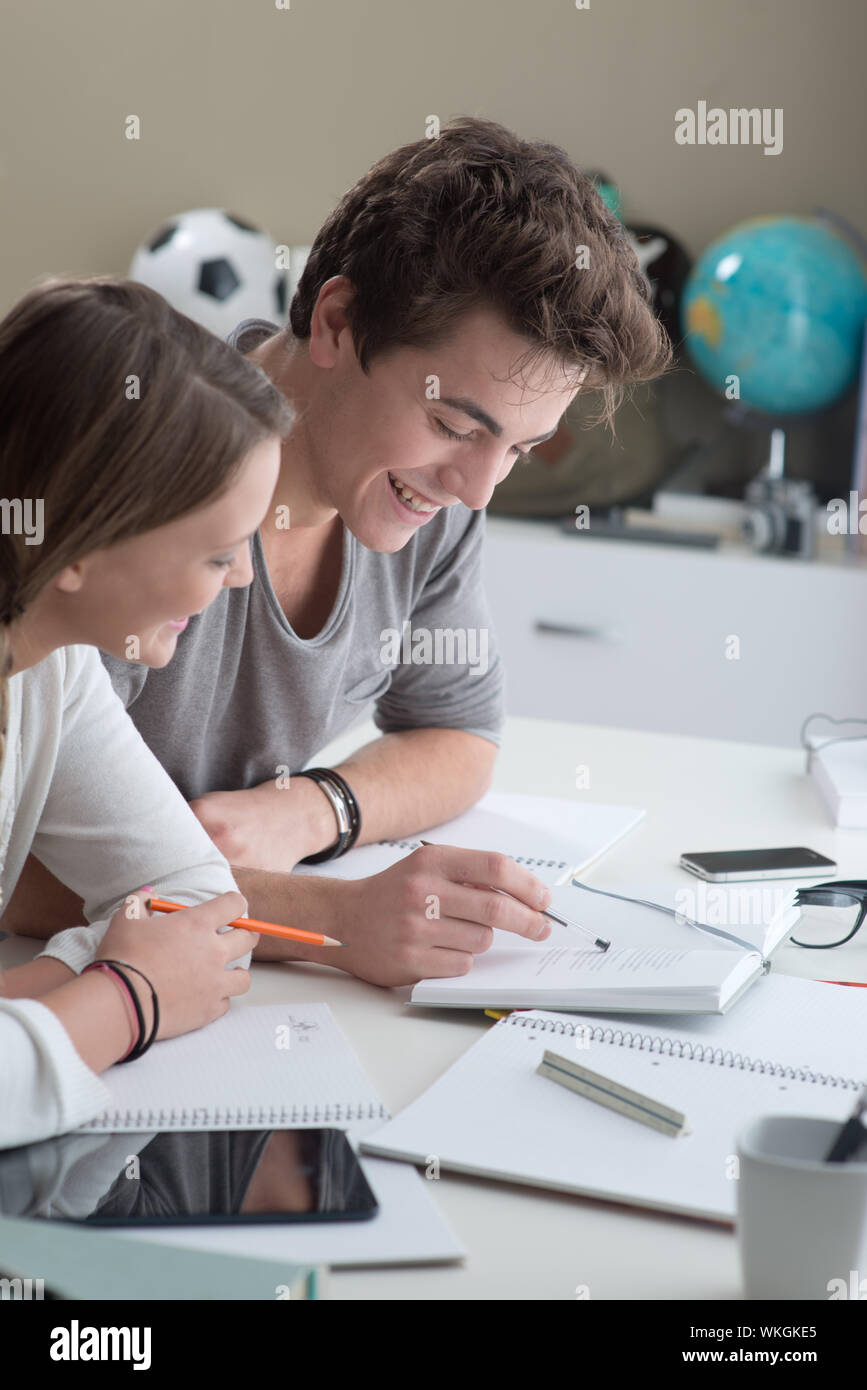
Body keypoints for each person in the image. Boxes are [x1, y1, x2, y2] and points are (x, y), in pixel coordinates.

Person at [3, 117, 671, 989]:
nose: (476, 490)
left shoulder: (426, 496)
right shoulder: (139, 486)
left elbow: (459, 731)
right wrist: (332, 921)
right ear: (338, 320)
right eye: (452, 425)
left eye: (516, 448)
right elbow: (27, 868)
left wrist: (319, 807)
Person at [0, 276, 290, 1145]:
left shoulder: (51, 665)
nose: (242, 575)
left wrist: (43, 998)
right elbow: (162, 961)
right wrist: (126, 999)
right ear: (79, 547)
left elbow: (197, 902)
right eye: (216, 552)